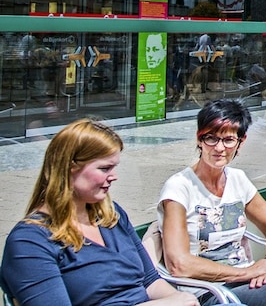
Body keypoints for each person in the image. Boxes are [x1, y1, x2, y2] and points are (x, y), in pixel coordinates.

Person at [2, 119, 199, 306]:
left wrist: (179, 298)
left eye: (114, 167)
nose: (114, 177)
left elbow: (150, 281)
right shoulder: (30, 242)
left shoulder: (111, 216)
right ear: (70, 167)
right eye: (105, 168)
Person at [158, 100, 266, 306]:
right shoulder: (179, 188)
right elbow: (179, 264)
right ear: (199, 139)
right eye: (211, 138)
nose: (219, 148)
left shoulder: (238, 179)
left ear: (240, 142)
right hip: (207, 292)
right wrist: (246, 272)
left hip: (246, 282)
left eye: (228, 140)